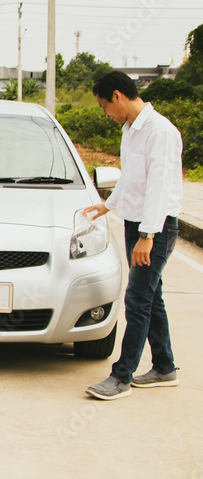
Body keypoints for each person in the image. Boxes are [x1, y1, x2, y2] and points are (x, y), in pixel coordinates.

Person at [84, 70, 183, 401]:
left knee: (137, 299)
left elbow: (158, 187)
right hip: (136, 223)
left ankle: (121, 376)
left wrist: (148, 235)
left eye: (104, 107)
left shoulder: (159, 132)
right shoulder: (131, 130)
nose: (106, 114)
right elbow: (131, 179)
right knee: (151, 296)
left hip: (155, 227)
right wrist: (108, 206)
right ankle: (165, 367)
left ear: (117, 96)